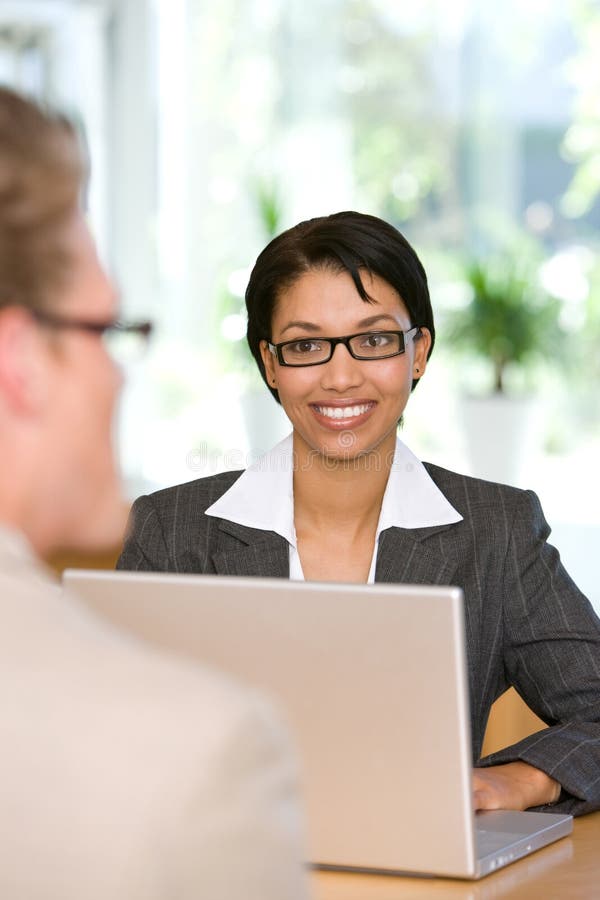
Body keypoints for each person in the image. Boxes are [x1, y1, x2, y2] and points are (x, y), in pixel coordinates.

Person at [118, 210, 600, 818]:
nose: (341, 378)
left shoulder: (495, 530)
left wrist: (523, 779)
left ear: (418, 352)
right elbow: (108, 730)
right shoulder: (170, 531)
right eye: (306, 345)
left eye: (373, 340)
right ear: (270, 363)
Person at [0, 86, 310, 900]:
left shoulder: (500, 521)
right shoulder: (194, 756)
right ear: (21, 360)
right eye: (107, 331)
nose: (118, 374)